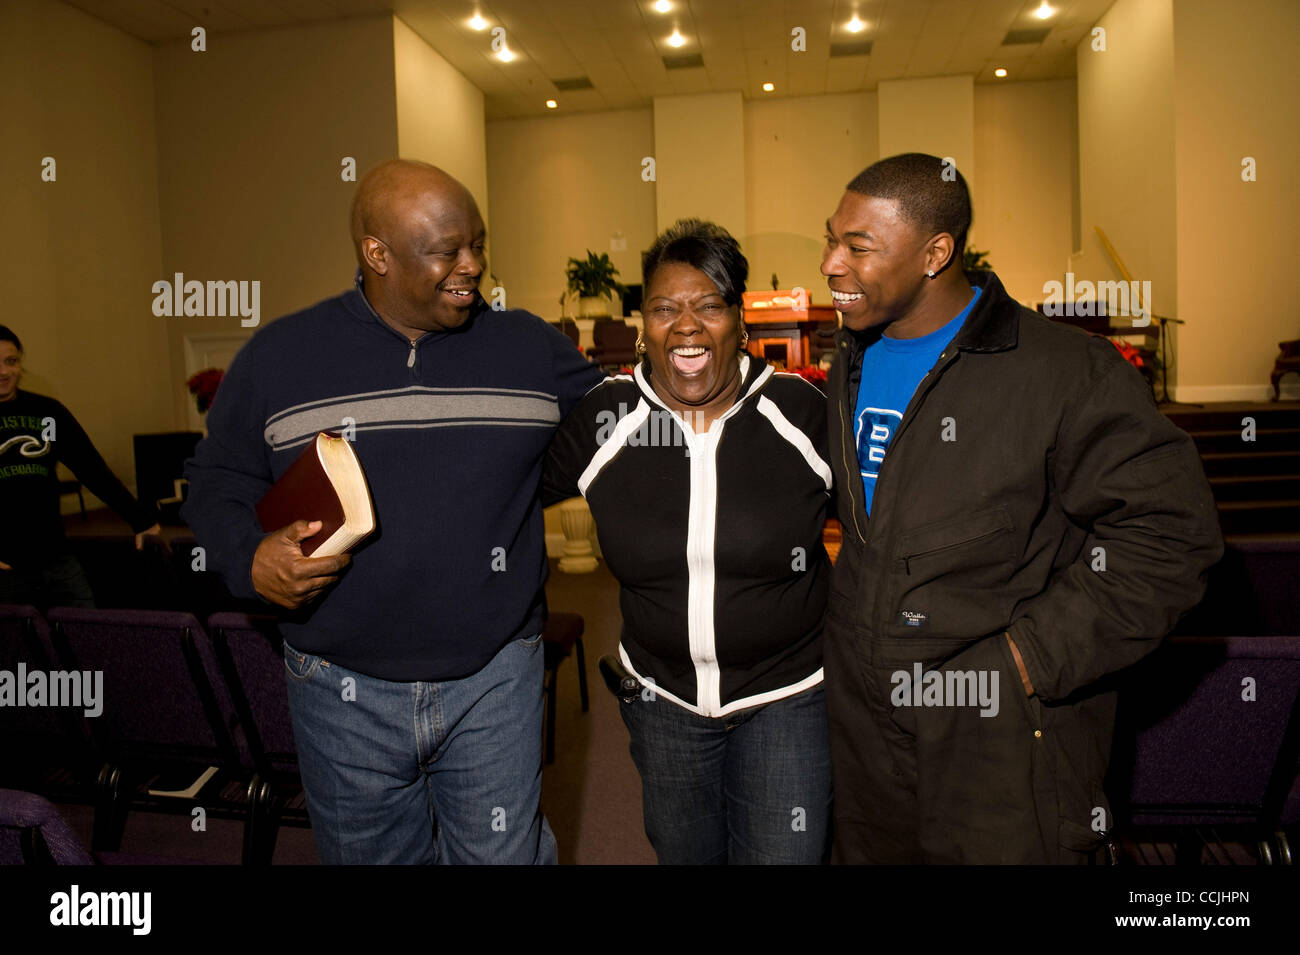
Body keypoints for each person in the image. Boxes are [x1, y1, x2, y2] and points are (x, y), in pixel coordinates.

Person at [181, 159, 603, 865]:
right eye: (447, 249)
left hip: (495, 673)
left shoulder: (529, 346)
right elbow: (215, 478)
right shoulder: (280, 354)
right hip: (339, 684)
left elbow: (612, 429)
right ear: (376, 254)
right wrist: (249, 557)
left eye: (479, 242)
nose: (472, 265)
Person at [819, 153, 1223, 864]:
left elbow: (1171, 537)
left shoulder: (1065, 370)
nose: (830, 263)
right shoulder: (848, 357)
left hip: (997, 729)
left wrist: (1026, 660)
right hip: (866, 728)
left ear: (936, 252)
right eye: (831, 239)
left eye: (858, 246)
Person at [544, 219, 834, 864]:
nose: (686, 326)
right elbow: (501, 504)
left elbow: (882, 534)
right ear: (643, 323)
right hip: (662, 697)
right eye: (664, 308)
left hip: (787, 696)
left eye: (708, 306)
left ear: (741, 320)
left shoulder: (802, 413)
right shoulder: (607, 418)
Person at [0, 325, 160, 608]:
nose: (3, 372)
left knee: (83, 641)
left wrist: (141, 519)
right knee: (17, 653)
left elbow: (92, 469)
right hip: (5, 573)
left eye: (10, 361)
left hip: (57, 560)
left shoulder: (47, 412)